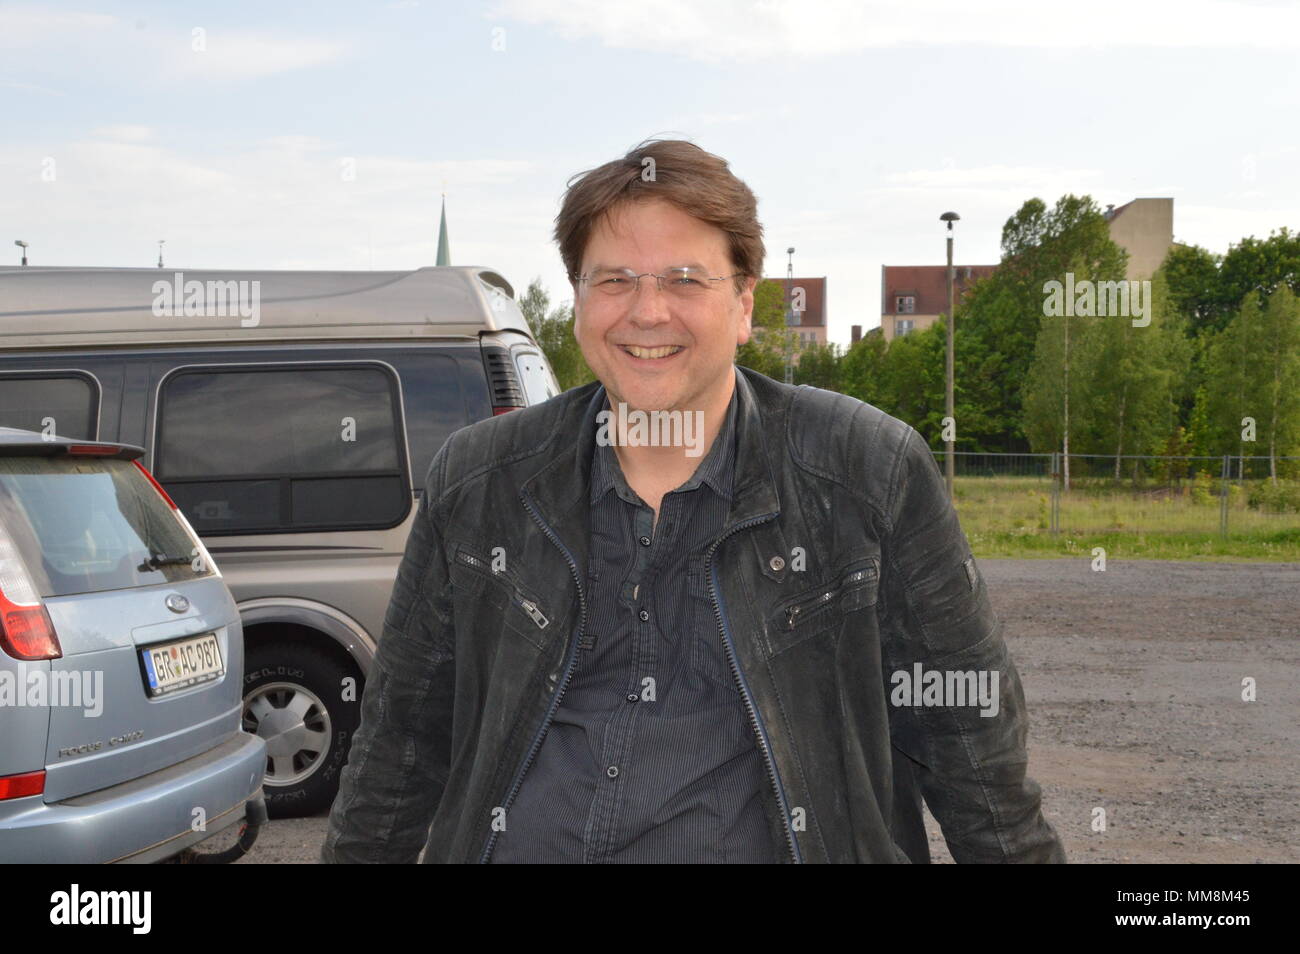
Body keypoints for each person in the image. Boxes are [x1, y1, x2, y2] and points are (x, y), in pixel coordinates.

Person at [321, 138, 1066, 863]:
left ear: (744, 305)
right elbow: (400, 742)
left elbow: (972, 748)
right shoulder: (479, 480)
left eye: (684, 279)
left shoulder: (867, 471)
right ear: (578, 302)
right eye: (614, 279)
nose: (647, 312)